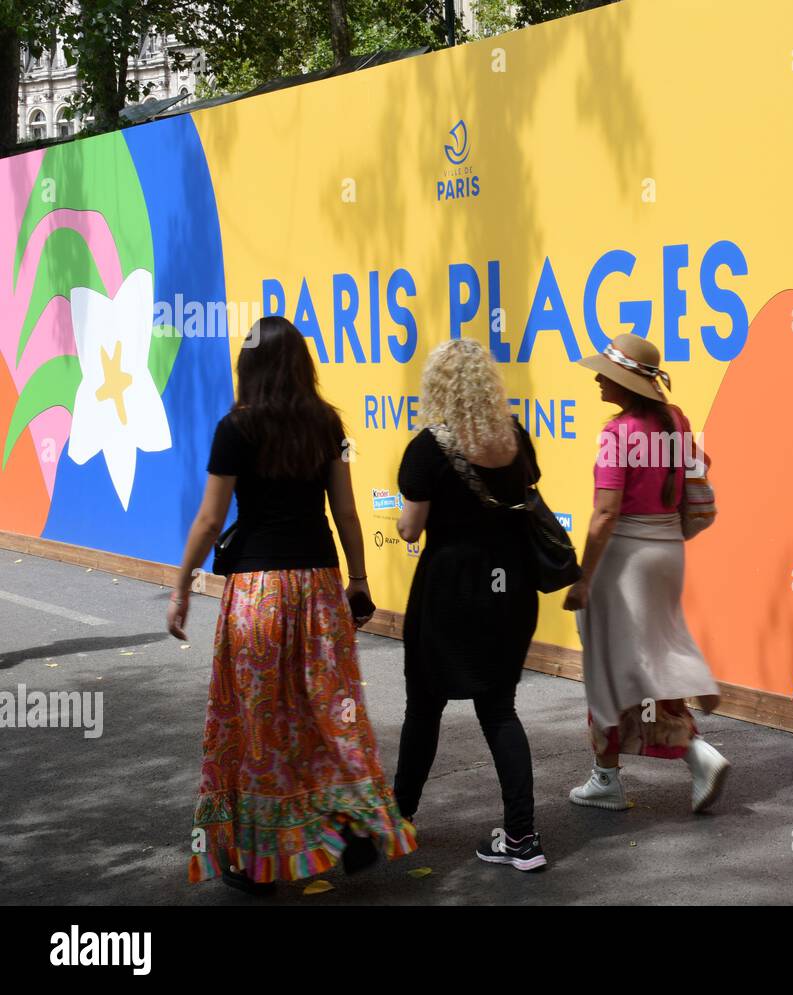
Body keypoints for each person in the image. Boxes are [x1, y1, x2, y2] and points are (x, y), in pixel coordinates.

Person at [168, 316, 415, 895]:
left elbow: (210, 520)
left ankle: (259, 861)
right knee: (328, 711)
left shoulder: (236, 429)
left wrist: (180, 585)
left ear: (248, 367)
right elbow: (347, 512)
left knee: (257, 722)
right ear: (302, 365)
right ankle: (353, 825)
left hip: (257, 594)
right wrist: (358, 579)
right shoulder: (328, 424)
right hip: (319, 589)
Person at [393, 339, 546, 872]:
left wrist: (404, 521)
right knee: (499, 710)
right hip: (509, 594)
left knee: (423, 709)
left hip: (448, 596)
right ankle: (523, 838)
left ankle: (400, 820)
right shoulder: (515, 438)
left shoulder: (427, 449)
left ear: (439, 386)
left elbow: (410, 528)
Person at [563, 332, 730, 813]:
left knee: (610, 672)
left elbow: (605, 513)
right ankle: (624, 767)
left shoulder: (618, 434)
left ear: (626, 384)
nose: (596, 378)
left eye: (605, 373)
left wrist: (583, 578)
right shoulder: (675, 422)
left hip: (625, 557)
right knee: (643, 663)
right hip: (667, 550)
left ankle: (669, 759)